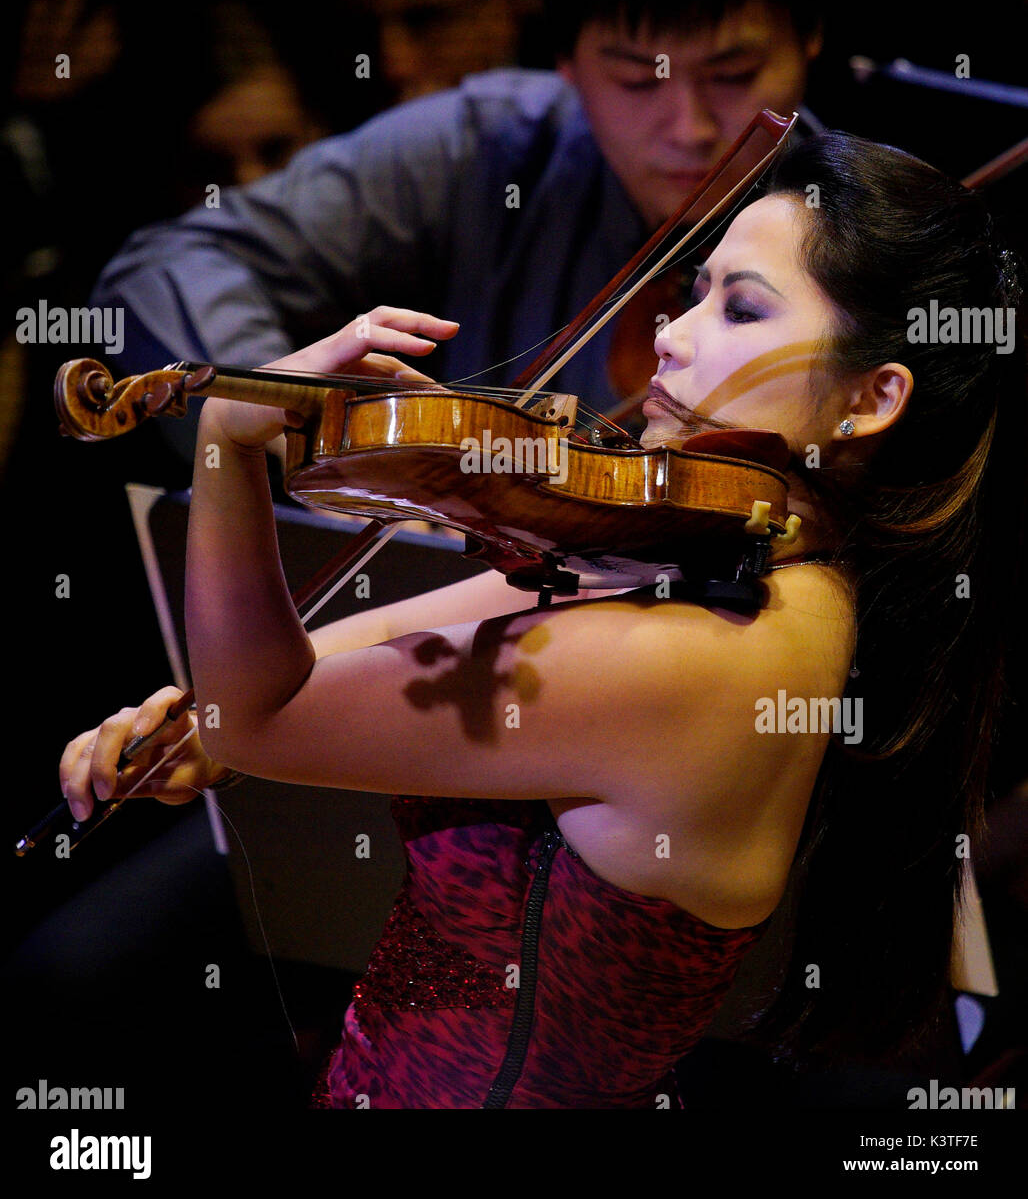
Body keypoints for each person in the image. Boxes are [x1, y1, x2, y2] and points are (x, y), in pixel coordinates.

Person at [60, 131, 1027, 1106]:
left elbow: (258, 713)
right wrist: (201, 718)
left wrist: (231, 434)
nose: (671, 333)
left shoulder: (705, 657)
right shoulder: (720, 560)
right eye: (693, 291)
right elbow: (287, 684)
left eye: (739, 309)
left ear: (871, 399)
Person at [89, 0, 831, 460]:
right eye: (637, 78)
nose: (689, 128)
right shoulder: (482, 143)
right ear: (565, 58)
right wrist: (291, 426)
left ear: (810, 40)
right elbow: (162, 266)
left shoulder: (859, 234)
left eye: (732, 72)